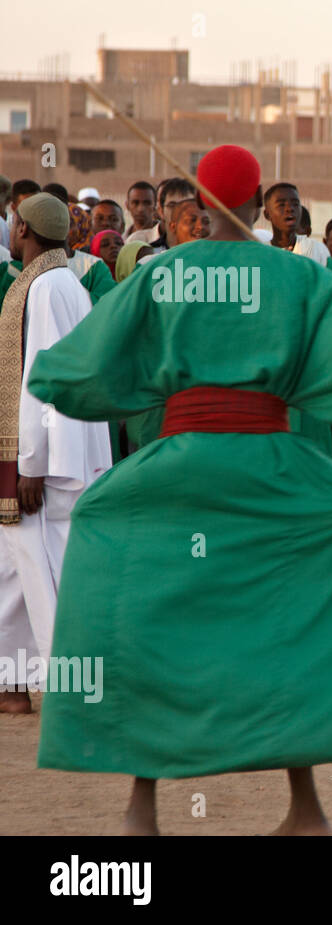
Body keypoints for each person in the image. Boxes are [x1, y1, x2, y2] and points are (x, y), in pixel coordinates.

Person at [28, 144, 332, 833]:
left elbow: (70, 371)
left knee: (114, 554)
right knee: (321, 558)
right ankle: (305, 805)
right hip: (273, 467)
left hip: (177, 470)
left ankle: (140, 805)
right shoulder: (299, 278)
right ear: (258, 200)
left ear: (199, 205)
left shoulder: (164, 274)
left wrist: (144, 381)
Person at [0, 194, 112, 715]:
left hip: (48, 461)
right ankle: (14, 685)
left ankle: (73, 690)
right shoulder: (63, 280)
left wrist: (32, 464)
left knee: (50, 577)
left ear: (22, 228)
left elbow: (43, 381)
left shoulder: (45, 288)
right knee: (17, 569)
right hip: (59, 453)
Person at [264, 184, 332, 267]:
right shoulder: (258, 255)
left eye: (295, 204)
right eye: (281, 205)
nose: (290, 209)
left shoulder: (317, 250)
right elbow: (247, 280)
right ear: (267, 214)